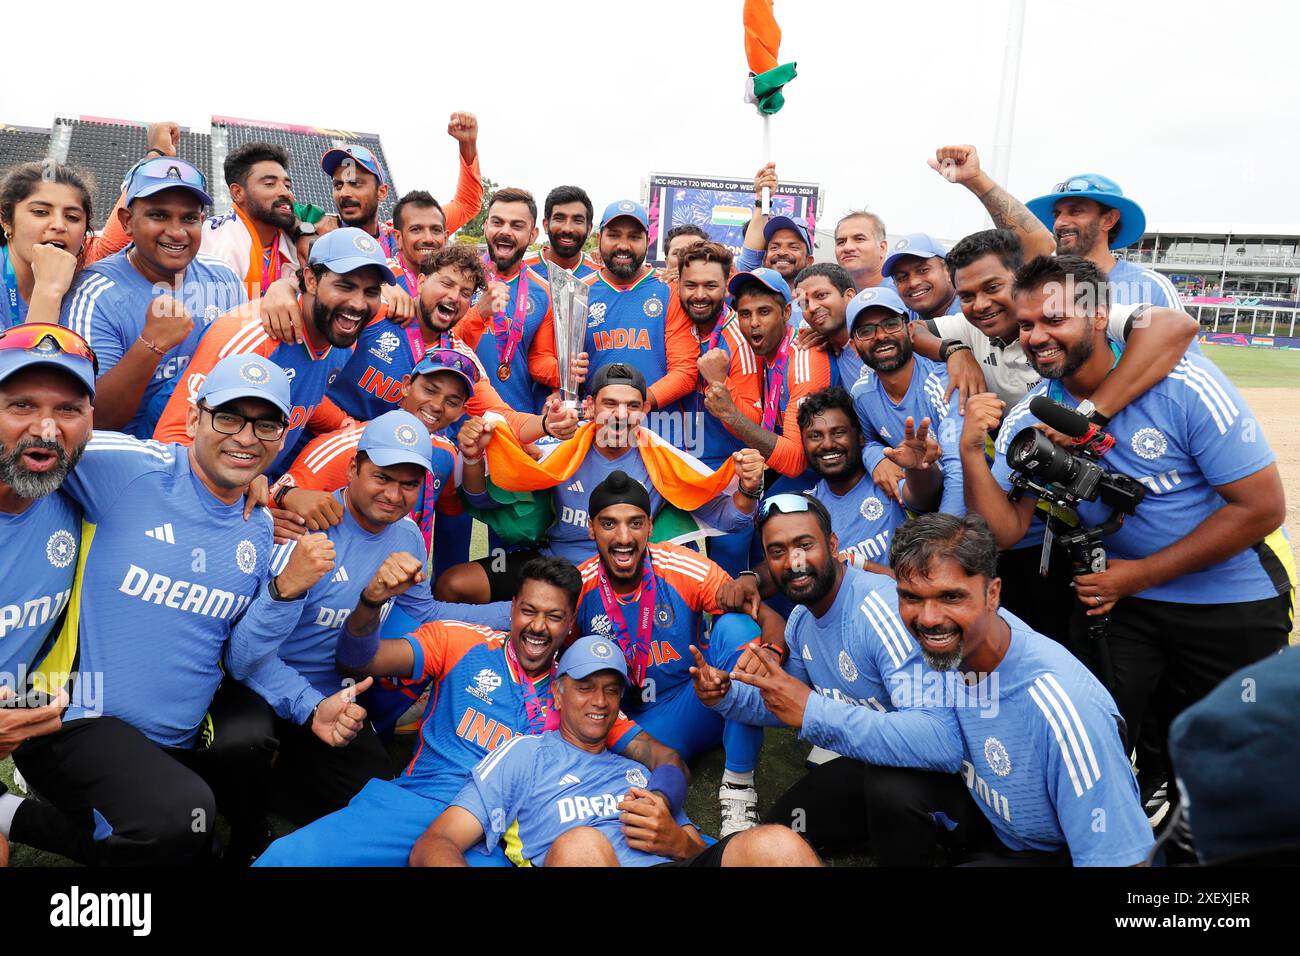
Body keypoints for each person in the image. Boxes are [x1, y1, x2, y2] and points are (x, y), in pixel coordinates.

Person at [6, 353, 365, 866]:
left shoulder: (259, 528)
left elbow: (245, 659)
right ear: (194, 419)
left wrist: (309, 698)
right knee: (180, 819)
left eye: (265, 424)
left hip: (176, 738)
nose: (246, 437)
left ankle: (191, 827)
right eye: (228, 417)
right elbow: (38, 443)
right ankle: (14, 815)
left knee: (208, 809)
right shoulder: (130, 468)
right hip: (75, 715)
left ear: (282, 438)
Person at [966, 254, 1293, 798]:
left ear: (1099, 317)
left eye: (1054, 320)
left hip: (1231, 600)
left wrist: (1137, 576)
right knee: (1102, 738)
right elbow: (1002, 531)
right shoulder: (1031, 416)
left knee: (1238, 762)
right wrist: (970, 451)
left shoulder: (1185, 383)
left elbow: (1261, 509)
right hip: (1120, 606)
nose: (1037, 337)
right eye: (1026, 325)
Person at [711, 512, 1155, 866]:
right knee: (833, 806)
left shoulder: (1061, 704)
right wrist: (732, 694)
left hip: (1042, 852)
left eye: (951, 597)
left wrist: (813, 711)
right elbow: (921, 738)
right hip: (983, 810)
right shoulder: (941, 647)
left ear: (993, 593)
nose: (927, 618)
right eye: (911, 597)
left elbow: (1121, 861)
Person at [254, 558, 683, 867]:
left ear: (570, 622)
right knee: (288, 858)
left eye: (554, 616)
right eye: (529, 611)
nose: (537, 626)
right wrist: (370, 603)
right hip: (421, 802)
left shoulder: (578, 691)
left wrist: (660, 800)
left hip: (498, 834)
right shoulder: (460, 642)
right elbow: (355, 660)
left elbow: (663, 757)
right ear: (512, 608)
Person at [242, 410, 507, 825]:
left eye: (409, 484)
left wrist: (515, 612)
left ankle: (288, 787)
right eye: (382, 477)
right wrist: (310, 705)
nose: (394, 495)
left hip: (338, 697)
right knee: (245, 744)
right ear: (353, 468)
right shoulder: (303, 527)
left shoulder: (407, 536)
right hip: (265, 688)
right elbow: (250, 650)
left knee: (375, 797)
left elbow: (426, 614)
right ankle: (250, 816)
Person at [410, 635, 821, 867]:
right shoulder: (524, 755)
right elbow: (436, 842)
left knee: (777, 844)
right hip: (583, 860)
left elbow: (697, 848)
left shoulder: (637, 771)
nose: (600, 701)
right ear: (557, 692)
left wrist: (678, 844)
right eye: (585, 687)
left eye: (611, 689)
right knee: (580, 846)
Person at [691, 494, 955, 853]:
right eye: (778, 551)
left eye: (805, 545)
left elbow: (939, 740)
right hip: (871, 760)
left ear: (832, 545)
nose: (794, 561)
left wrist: (813, 711)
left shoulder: (878, 610)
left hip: (937, 776)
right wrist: (726, 696)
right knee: (778, 834)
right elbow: (789, 703)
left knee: (890, 793)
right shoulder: (801, 620)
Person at [438, 363, 763, 603]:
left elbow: (732, 519)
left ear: (645, 410)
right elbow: (481, 500)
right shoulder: (558, 451)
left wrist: (748, 486)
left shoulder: (662, 460)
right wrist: (471, 457)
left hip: (626, 575)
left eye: (632, 406)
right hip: (557, 566)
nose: (620, 414)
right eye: (610, 404)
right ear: (590, 407)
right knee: (454, 583)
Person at [573, 469, 785, 835]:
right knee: (608, 776)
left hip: (702, 697)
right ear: (591, 529)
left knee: (737, 626)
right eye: (609, 524)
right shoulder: (579, 586)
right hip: (639, 724)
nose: (624, 538)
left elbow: (764, 617)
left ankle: (738, 785)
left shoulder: (679, 566)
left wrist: (771, 654)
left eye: (635, 523)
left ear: (650, 527)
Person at [153, 227, 393, 477]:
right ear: (311, 280)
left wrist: (343, 423)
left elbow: (303, 392)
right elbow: (173, 439)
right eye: (345, 286)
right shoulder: (255, 335)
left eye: (371, 292)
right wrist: (244, 490)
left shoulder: (343, 334)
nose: (358, 303)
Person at [913, 229, 1199, 411]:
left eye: (992, 288)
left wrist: (1092, 413)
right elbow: (911, 330)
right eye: (966, 296)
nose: (981, 305)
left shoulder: (1075, 314)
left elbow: (1177, 325)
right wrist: (954, 351)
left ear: (1021, 278)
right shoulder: (969, 327)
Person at [61, 157, 246, 437]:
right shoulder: (93, 294)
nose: (176, 232)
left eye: (189, 218)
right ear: (127, 222)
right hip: (127, 456)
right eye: (158, 215)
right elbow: (90, 422)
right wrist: (151, 346)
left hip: (210, 450)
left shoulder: (223, 278)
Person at [0, 324, 95, 835]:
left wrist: (270, 486)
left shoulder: (88, 492)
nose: (46, 429)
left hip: (31, 714)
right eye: (21, 406)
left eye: (68, 410)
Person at [271, 348, 475, 552]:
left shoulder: (448, 455)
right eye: (430, 390)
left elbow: (453, 527)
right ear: (406, 386)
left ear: (461, 413)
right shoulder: (345, 448)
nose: (438, 405)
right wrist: (285, 497)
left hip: (403, 574)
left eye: (452, 402)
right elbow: (272, 505)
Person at [529, 200, 697, 443]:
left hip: (659, 433)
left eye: (634, 237)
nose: (623, 245)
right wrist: (561, 378)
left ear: (647, 240)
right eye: (614, 235)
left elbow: (685, 372)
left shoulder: (669, 290)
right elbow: (540, 359)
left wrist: (632, 407)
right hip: (596, 433)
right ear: (599, 238)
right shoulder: (574, 293)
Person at [0, 121, 182, 326]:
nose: (59, 225)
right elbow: (36, 358)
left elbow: (112, 243)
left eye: (73, 217)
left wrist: (157, 156)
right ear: (6, 220)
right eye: (41, 212)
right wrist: (48, 290)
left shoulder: (81, 264)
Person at [702, 268, 832, 490]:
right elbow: (754, 420)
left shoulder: (804, 359)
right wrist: (722, 383)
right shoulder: (762, 353)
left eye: (764, 312)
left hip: (823, 476)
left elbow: (795, 461)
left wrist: (731, 415)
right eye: (745, 314)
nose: (753, 323)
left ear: (786, 312)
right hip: (792, 472)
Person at [677, 240, 761, 573]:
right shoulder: (673, 324)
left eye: (710, 285)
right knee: (678, 570)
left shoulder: (738, 336)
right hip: (676, 468)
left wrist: (718, 383)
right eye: (691, 285)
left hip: (727, 471)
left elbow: (754, 424)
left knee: (729, 571)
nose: (700, 294)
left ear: (726, 286)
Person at [848, 285, 965, 514]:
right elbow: (866, 442)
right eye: (866, 331)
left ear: (910, 330)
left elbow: (959, 468)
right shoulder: (861, 394)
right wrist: (875, 459)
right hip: (925, 505)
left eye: (891, 324)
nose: (881, 336)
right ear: (853, 346)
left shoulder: (944, 382)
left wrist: (946, 536)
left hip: (973, 513)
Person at [320, 112, 483, 255]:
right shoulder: (321, 235)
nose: (344, 193)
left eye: (356, 183)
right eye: (338, 185)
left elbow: (467, 205)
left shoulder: (405, 230)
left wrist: (467, 145)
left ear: (382, 192)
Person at [1024, 173, 1182, 308]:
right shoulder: (1040, 283)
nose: (1059, 223)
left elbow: (1180, 341)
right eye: (1056, 214)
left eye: (1075, 212)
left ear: (1109, 220)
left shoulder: (1152, 287)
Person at [797, 387, 909, 570]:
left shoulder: (888, 476)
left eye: (838, 432)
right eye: (815, 436)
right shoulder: (808, 508)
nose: (827, 444)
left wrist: (857, 563)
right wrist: (753, 578)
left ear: (860, 437)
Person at [202, 142, 299, 299]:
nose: (286, 193)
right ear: (238, 193)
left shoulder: (295, 237)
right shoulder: (217, 245)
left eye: (287, 185)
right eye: (270, 184)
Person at [738, 163, 813, 327]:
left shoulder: (812, 305)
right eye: (774, 247)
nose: (782, 252)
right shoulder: (749, 289)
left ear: (809, 260)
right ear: (764, 257)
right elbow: (750, 256)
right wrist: (761, 198)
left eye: (793, 247)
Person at [793, 262, 865, 387]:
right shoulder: (823, 348)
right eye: (803, 303)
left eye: (821, 295)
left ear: (849, 296)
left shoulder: (876, 343)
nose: (812, 308)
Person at [881, 233, 962, 321]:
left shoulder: (971, 318)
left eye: (923, 270)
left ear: (948, 270)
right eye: (902, 277)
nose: (913, 283)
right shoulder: (902, 319)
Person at [523, 185, 598, 278]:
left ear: (589, 229)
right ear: (546, 225)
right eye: (559, 219)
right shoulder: (522, 269)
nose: (567, 229)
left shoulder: (597, 276)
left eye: (577, 221)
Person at [387, 190, 450, 295]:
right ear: (398, 238)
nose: (428, 239)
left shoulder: (458, 280)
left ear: (445, 238)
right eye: (416, 229)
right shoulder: (381, 275)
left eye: (436, 230)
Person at [833, 210, 891, 293]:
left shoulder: (906, 293)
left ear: (882, 248)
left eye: (859, 239)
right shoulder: (833, 296)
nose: (847, 247)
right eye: (841, 242)